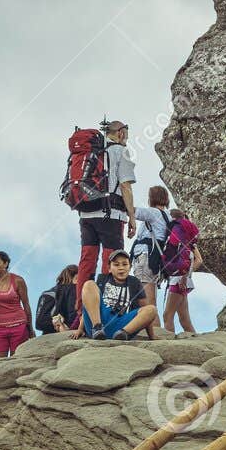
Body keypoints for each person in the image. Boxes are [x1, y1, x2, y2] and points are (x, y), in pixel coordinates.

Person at [75, 119, 138, 308]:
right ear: (120, 133)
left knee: (87, 260)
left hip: (86, 213)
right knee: (111, 260)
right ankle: (106, 306)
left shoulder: (91, 152)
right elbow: (125, 186)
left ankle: (81, 308)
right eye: (126, 135)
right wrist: (132, 217)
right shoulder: (120, 151)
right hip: (111, 214)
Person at [81, 250, 157, 340]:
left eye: (125, 264)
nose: (121, 268)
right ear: (109, 268)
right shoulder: (103, 280)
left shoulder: (135, 283)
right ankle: (97, 328)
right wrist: (80, 329)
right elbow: (90, 305)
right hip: (99, 321)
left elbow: (144, 308)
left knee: (152, 309)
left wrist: (151, 336)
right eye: (116, 265)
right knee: (89, 284)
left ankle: (123, 334)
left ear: (130, 267)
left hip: (121, 325)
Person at [159, 211, 204, 335]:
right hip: (182, 279)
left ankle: (169, 343)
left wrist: (184, 276)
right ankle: (197, 342)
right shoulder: (189, 241)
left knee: (167, 315)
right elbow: (199, 260)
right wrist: (187, 275)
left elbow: (191, 260)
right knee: (184, 319)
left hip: (178, 280)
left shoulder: (177, 238)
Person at [0, 251, 32, 357]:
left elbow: (26, 305)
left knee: (16, 361)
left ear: (6, 264)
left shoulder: (18, 280)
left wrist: (31, 329)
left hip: (19, 326)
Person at [132, 186, 174, 285]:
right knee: (150, 288)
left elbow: (134, 212)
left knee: (144, 291)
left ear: (152, 198)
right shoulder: (168, 215)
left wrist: (123, 201)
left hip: (146, 255)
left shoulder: (153, 212)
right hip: (156, 258)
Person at [46, 264, 83, 336]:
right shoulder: (73, 289)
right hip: (76, 325)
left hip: (66, 326)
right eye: (77, 279)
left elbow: (58, 311)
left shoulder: (59, 290)